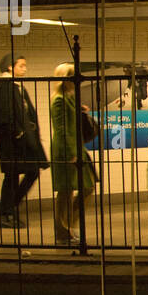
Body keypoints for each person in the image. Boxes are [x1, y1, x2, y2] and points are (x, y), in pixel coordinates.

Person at [0, 55, 49, 229]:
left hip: (20, 141)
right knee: (15, 176)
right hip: (14, 143)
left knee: (20, 175)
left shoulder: (15, 87)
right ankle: (8, 212)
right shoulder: (6, 87)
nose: (25, 69)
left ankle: (10, 209)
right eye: (21, 66)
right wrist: (19, 133)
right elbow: (7, 115)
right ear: (10, 67)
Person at [50, 63, 96, 246]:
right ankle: (63, 231)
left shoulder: (68, 98)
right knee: (65, 192)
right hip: (67, 151)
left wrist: (80, 111)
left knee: (87, 186)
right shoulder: (59, 99)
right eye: (72, 77)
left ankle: (69, 225)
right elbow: (61, 129)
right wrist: (70, 153)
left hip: (77, 149)